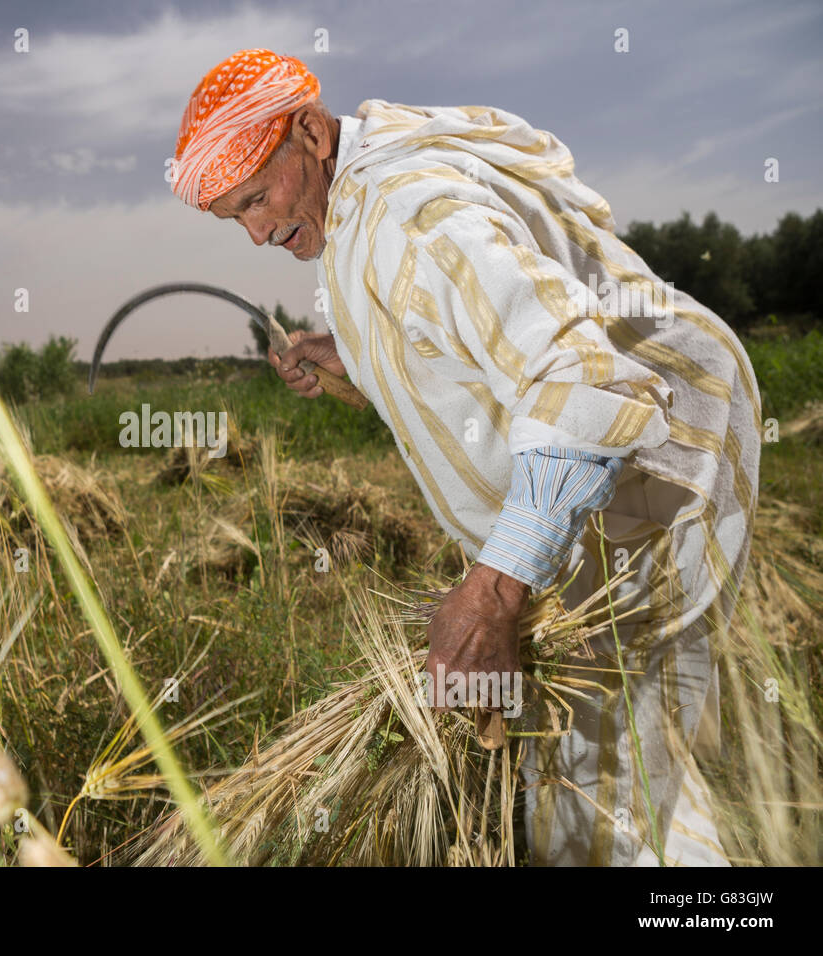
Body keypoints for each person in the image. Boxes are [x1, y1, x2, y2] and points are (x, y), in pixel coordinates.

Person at [172, 48, 760, 865]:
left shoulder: (414, 216)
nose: (259, 232)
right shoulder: (356, 194)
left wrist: (493, 589)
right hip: (604, 482)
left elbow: (576, 376)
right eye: (234, 217)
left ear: (308, 131)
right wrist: (360, 353)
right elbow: (460, 325)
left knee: (607, 780)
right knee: (588, 759)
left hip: (659, 475)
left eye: (259, 199)